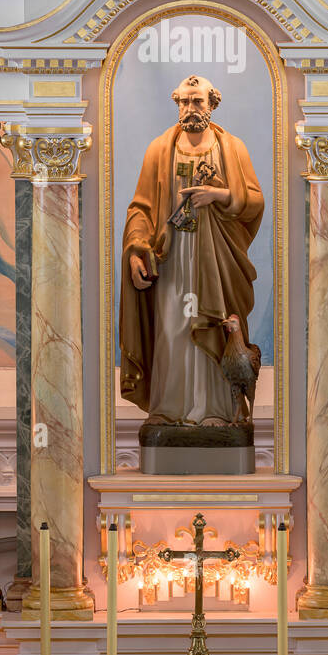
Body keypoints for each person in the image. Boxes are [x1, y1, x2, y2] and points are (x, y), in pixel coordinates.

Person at [119, 75, 263, 426]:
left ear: (212, 103)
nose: (190, 108)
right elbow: (140, 208)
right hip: (172, 258)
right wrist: (137, 251)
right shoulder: (159, 149)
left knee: (213, 325)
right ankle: (168, 410)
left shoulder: (233, 148)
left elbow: (255, 201)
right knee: (172, 328)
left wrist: (220, 195)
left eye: (197, 101)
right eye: (183, 101)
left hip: (215, 259)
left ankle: (217, 411)